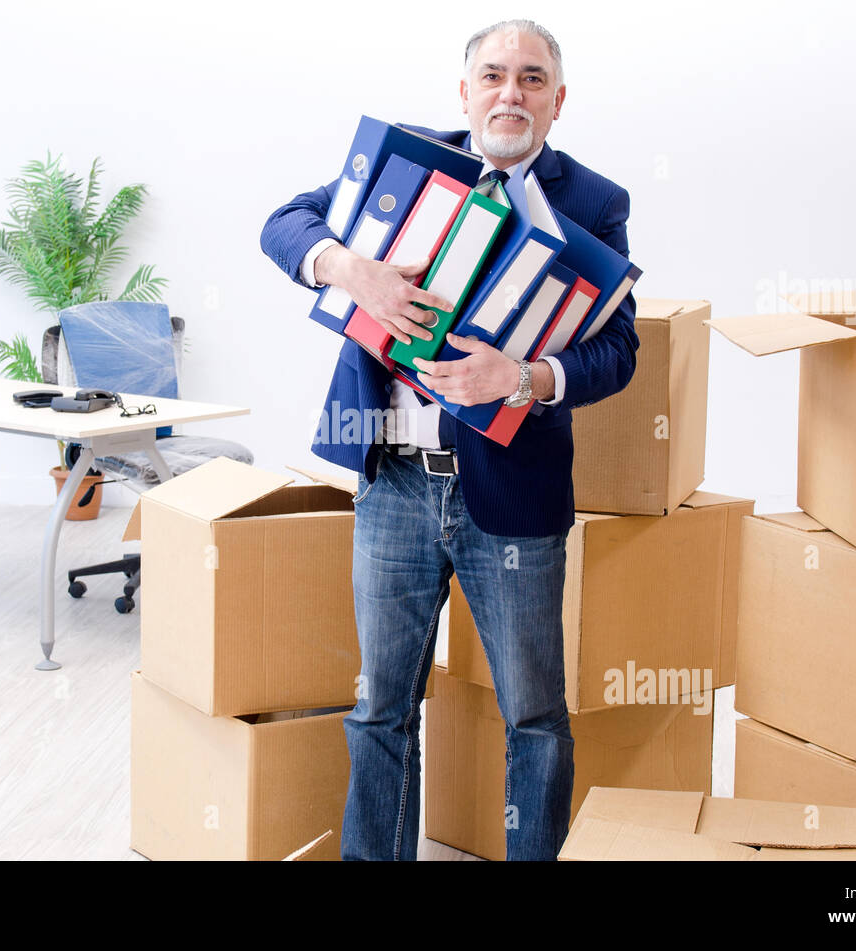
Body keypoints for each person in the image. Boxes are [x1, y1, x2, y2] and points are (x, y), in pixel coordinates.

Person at [259, 18, 639, 861]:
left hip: (512, 495)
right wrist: (349, 267)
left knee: (535, 715)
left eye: (533, 79)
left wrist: (526, 377)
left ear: (558, 101)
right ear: (463, 92)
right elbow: (284, 222)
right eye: (495, 75)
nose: (512, 92)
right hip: (393, 480)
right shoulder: (408, 161)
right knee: (378, 705)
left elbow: (619, 350)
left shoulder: (594, 202)